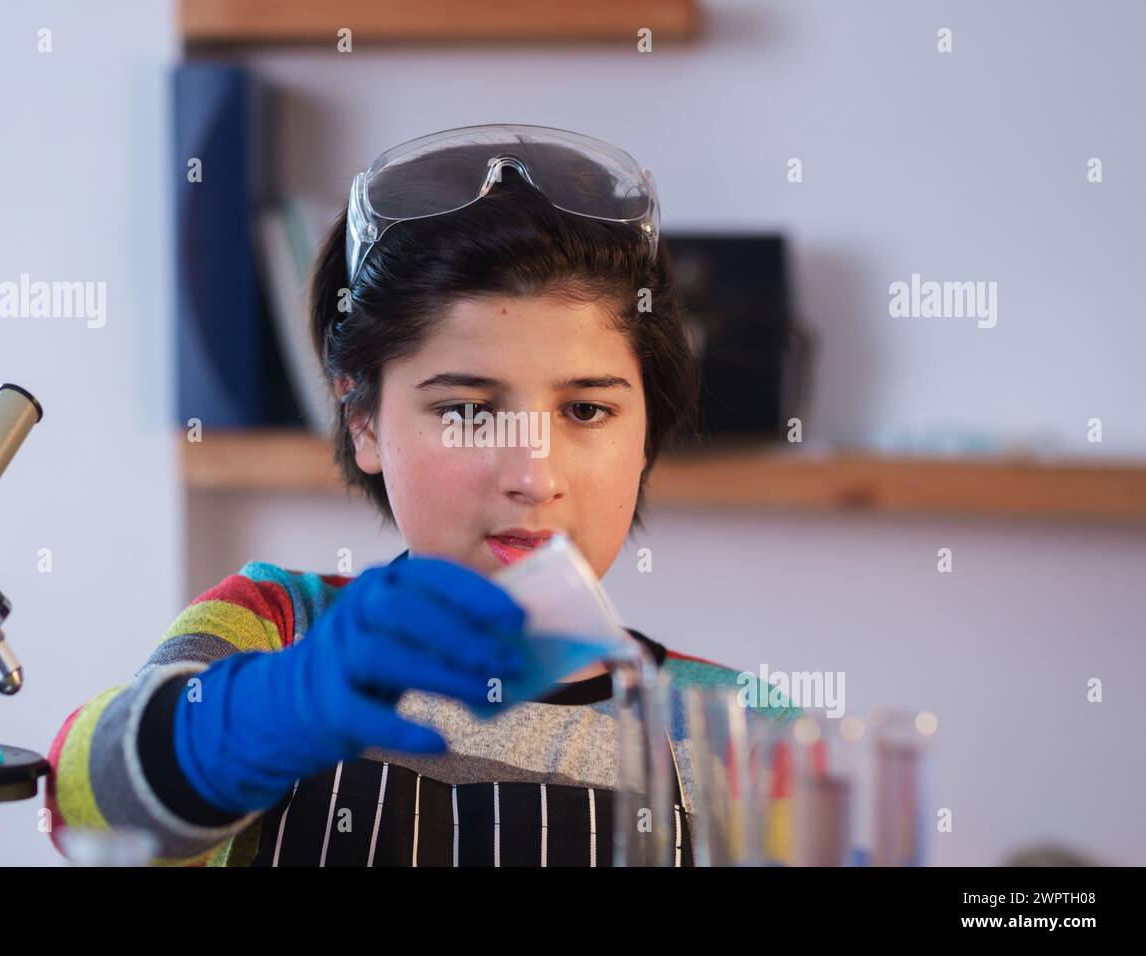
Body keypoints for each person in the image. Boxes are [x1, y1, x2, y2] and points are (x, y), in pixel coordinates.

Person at [45, 124, 797, 867]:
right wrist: (273, 708)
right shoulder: (277, 629)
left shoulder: (748, 732)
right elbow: (86, 807)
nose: (533, 476)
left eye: (585, 410)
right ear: (363, 420)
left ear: (645, 432)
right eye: (467, 410)